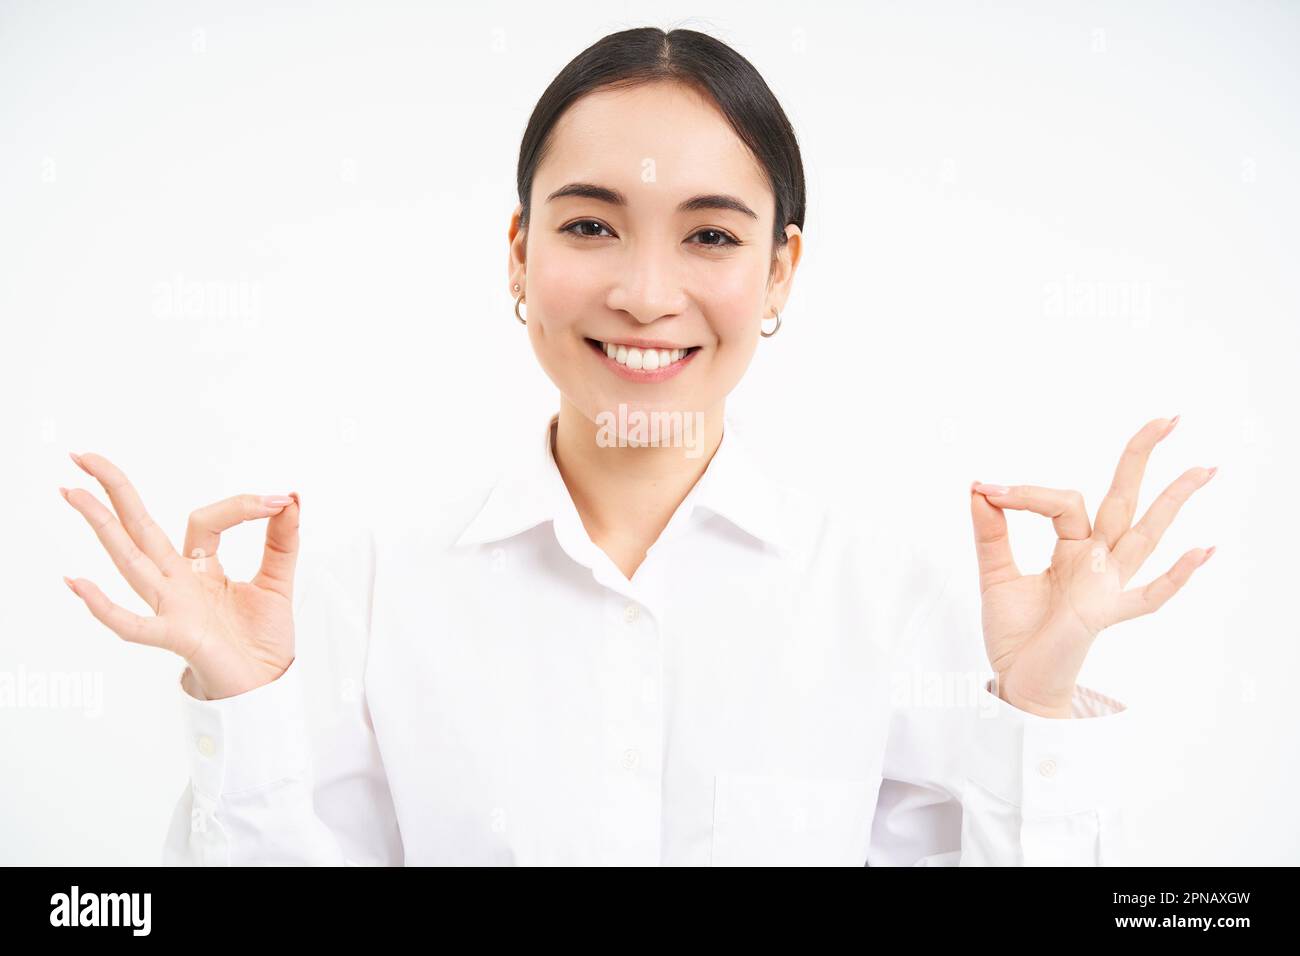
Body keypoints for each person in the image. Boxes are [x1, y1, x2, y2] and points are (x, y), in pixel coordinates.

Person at [60, 26, 1216, 866]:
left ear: (779, 272)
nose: (646, 291)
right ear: (518, 254)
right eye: (589, 225)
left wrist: (1038, 701)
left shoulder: (888, 600)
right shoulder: (366, 591)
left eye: (709, 233)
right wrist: (245, 705)